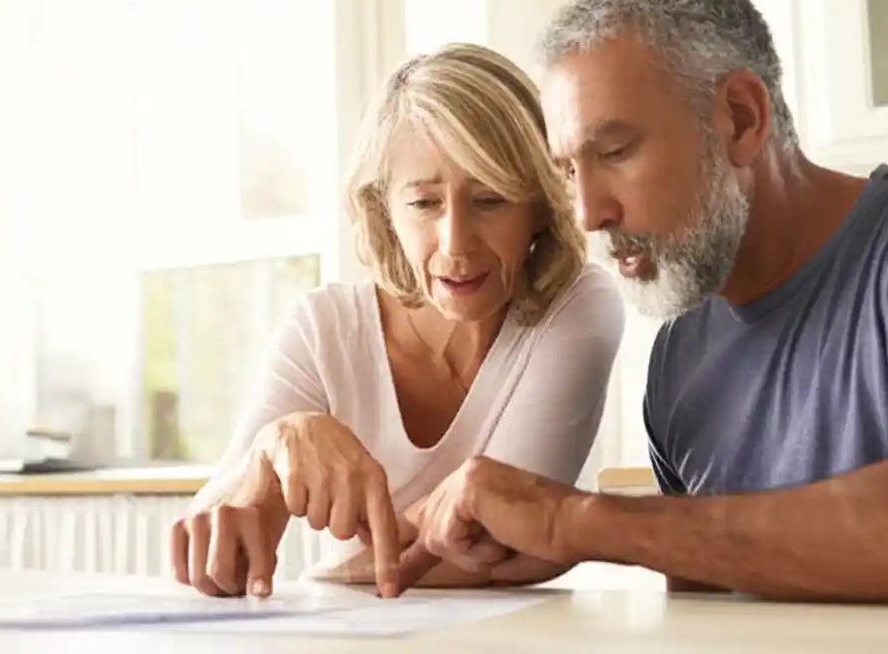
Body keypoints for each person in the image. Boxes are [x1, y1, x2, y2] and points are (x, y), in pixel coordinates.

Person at [397, 0, 888, 604]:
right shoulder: (680, 356)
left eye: (613, 152)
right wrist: (553, 543)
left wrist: (576, 520)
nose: (588, 213)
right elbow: (723, 601)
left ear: (740, 118)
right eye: (568, 170)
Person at [170, 43, 625, 599]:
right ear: (383, 210)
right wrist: (273, 448)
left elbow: (500, 544)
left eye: (490, 199)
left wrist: (323, 581)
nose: (456, 243)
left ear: (538, 206)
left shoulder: (578, 304)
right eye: (424, 204)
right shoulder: (324, 327)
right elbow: (211, 552)